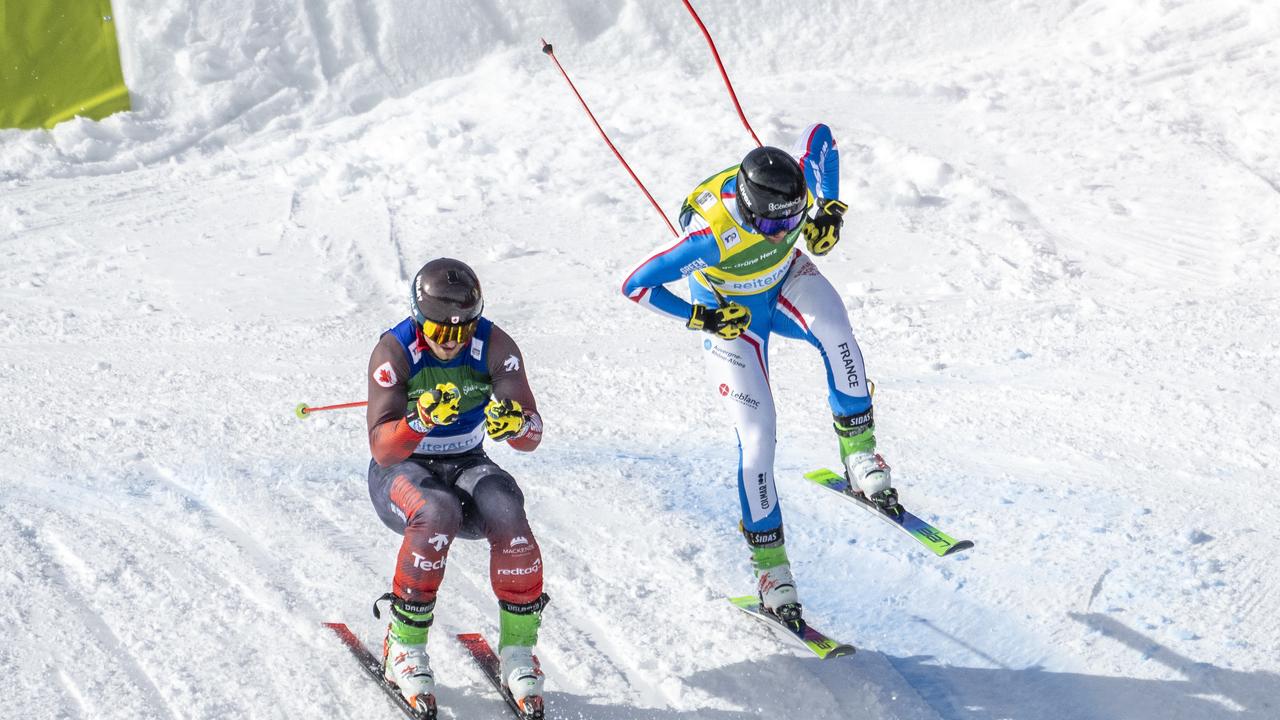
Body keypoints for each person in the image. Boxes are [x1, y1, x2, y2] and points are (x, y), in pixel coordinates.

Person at [620, 123, 895, 628]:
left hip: (786, 280)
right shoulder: (710, 236)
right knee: (758, 437)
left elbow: (823, 138)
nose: (780, 231)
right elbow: (635, 285)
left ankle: (859, 454)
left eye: (792, 219)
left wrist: (828, 207)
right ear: (748, 210)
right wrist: (699, 317)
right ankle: (772, 571)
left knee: (838, 336)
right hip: (731, 312)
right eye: (772, 227)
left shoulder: (790, 194)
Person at [365, 257, 549, 717]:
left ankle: (519, 652)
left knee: (507, 509)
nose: (450, 344)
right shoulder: (394, 352)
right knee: (437, 510)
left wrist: (514, 424)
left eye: (461, 331)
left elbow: (532, 436)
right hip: (402, 472)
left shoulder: (495, 345)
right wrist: (418, 419)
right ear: (417, 318)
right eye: (439, 332)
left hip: (468, 461)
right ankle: (403, 647)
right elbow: (383, 449)